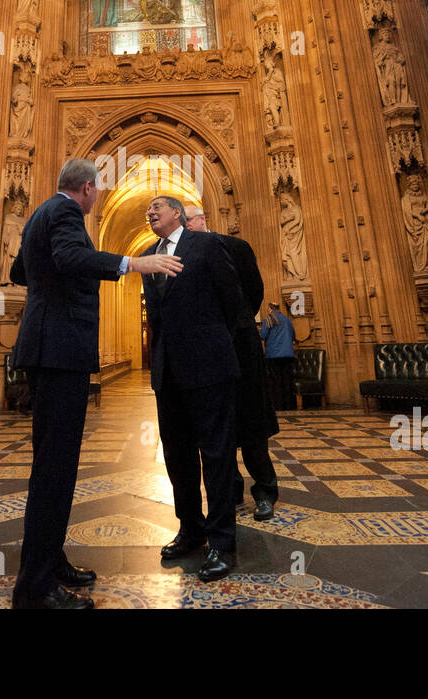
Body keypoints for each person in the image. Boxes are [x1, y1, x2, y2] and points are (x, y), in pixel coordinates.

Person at [9, 159, 182, 609]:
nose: (97, 198)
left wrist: (54, 284)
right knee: (55, 470)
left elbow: (20, 272)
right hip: (59, 349)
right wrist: (134, 263)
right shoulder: (66, 213)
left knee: (54, 465)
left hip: (46, 347)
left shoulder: (39, 215)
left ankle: (50, 560)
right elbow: (68, 257)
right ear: (87, 189)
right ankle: (35, 589)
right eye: (98, 191)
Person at [142, 195, 245, 581]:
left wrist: (211, 344)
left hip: (210, 367)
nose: (150, 213)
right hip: (168, 371)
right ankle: (190, 528)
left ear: (177, 214)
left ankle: (222, 540)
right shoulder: (149, 256)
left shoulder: (206, 245)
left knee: (217, 455)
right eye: (147, 210)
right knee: (177, 455)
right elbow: (156, 315)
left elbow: (233, 303)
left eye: (156, 208)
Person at [184, 205, 279, 521]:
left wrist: (236, 322)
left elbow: (254, 290)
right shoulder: (182, 256)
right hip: (205, 348)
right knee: (217, 426)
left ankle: (265, 491)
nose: (185, 226)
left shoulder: (235, 246)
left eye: (188, 219)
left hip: (240, 343)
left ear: (201, 220)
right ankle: (231, 492)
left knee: (252, 421)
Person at [260, 301, 296, 411]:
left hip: (274, 354)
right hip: (288, 354)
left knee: (275, 381)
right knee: (287, 380)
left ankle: (278, 405)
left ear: (270, 309)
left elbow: (262, 335)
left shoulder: (269, 319)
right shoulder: (287, 319)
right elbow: (293, 335)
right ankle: (289, 405)